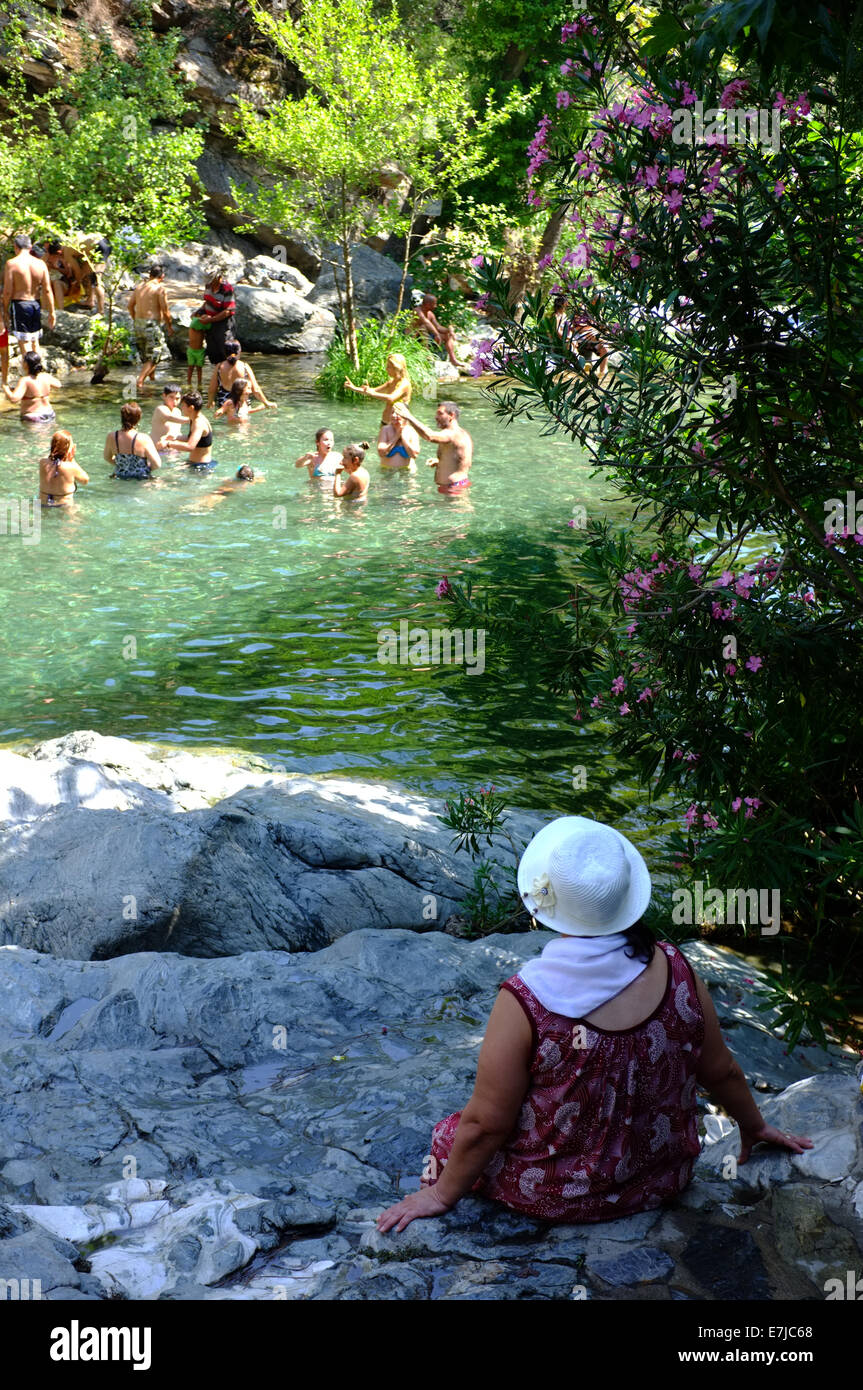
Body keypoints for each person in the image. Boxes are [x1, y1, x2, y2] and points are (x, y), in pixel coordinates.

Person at [376, 816, 814, 1235]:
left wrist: (442, 1194)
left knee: (451, 1133)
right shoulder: (677, 969)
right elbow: (722, 1070)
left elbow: (486, 1125)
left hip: (555, 1197)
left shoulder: (526, 1001)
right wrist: (754, 1126)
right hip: (659, 1182)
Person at [399, 400, 473, 495]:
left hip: (454, 489)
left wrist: (408, 416)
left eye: (440, 414)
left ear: (451, 415)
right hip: (453, 487)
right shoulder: (460, 433)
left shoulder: (453, 433)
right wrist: (440, 461)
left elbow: (430, 436)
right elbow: (463, 461)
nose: (436, 417)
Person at [2, 233, 55, 361]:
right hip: (35, 304)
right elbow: (47, 290)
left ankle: (29, 373)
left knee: (24, 342)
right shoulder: (41, 264)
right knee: (35, 341)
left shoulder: (12, 263)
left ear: (16, 247)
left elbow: (8, 291)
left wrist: (4, 310)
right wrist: (52, 312)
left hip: (20, 304)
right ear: (30, 247)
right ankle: (38, 372)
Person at [128, 265, 172, 391]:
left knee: (147, 356)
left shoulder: (139, 287)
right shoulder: (159, 289)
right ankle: (140, 381)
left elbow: (130, 306)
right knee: (154, 356)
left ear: (150, 275)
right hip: (151, 325)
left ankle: (151, 381)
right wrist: (169, 326)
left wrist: (136, 320)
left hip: (138, 324)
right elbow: (165, 311)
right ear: (162, 276)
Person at [343, 353, 411, 424]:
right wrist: (353, 387)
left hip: (398, 425)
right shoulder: (391, 382)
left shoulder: (404, 384)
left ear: (396, 367)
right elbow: (372, 390)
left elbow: (391, 398)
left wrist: (372, 393)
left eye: (389, 367)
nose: (386, 369)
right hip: (385, 422)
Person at [207, 342, 275, 410]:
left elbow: (212, 389)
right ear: (239, 351)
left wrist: (210, 402)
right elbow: (256, 390)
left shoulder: (219, 367)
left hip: (225, 405)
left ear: (224, 352)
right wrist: (266, 402)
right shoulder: (244, 366)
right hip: (243, 406)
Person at [104, 401, 162, 479]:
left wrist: (122, 465)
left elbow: (107, 458)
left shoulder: (112, 436)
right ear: (138, 419)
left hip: (120, 477)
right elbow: (157, 464)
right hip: (141, 479)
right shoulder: (144, 438)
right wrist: (145, 469)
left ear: (122, 417)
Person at [157, 390, 215, 468]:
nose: (181, 408)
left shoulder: (199, 423)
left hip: (202, 467)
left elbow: (190, 446)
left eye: (183, 406)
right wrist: (174, 437)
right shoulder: (193, 419)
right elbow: (192, 439)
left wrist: (168, 444)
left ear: (191, 408)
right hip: (194, 463)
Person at [3, 350, 61, 422]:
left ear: (26, 364)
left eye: (23, 361)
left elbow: (14, 399)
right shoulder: (45, 376)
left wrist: (5, 387)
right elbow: (58, 385)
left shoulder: (25, 380)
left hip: (33, 417)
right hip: (49, 413)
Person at [39, 430, 89, 506]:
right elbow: (85, 480)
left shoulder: (42, 463)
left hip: (43, 503)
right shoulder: (71, 466)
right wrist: (72, 459)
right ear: (68, 448)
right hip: (64, 504)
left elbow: (53, 461)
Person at [412, 293, 461, 370]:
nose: (436, 306)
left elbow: (438, 327)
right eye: (434, 304)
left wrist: (449, 330)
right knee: (422, 327)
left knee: (447, 335)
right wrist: (436, 334)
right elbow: (426, 322)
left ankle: (453, 359)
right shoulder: (417, 311)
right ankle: (426, 358)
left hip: (427, 338)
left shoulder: (430, 314)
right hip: (414, 338)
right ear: (428, 304)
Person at [201, 270, 236, 365]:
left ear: (218, 278)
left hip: (223, 325)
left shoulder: (227, 289)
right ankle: (217, 376)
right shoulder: (208, 286)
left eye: (212, 281)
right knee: (213, 353)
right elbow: (207, 301)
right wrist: (199, 311)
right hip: (211, 325)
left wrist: (211, 319)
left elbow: (228, 311)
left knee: (226, 352)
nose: (210, 284)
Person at [377, 402, 419, 470]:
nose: (394, 415)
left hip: (407, 470)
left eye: (397, 413)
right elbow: (381, 453)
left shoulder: (412, 431)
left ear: (406, 415)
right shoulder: (385, 430)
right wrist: (396, 436)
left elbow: (414, 454)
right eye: (392, 412)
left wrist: (402, 436)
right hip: (387, 470)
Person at [149, 384, 184, 451]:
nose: (175, 401)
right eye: (171, 397)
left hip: (173, 449)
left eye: (177, 398)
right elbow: (170, 417)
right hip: (157, 450)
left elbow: (177, 432)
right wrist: (192, 419)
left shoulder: (178, 411)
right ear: (164, 396)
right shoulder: (160, 409)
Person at [187, 305, 208, 389]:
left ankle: (199, 384)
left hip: (200, 350)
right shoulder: (193, 322)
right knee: (190, 367)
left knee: (199, 368)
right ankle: (188, 382)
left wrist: (206, 317)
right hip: (191, 350)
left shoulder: (204, 326)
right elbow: (192, 316)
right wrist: (202, 307)